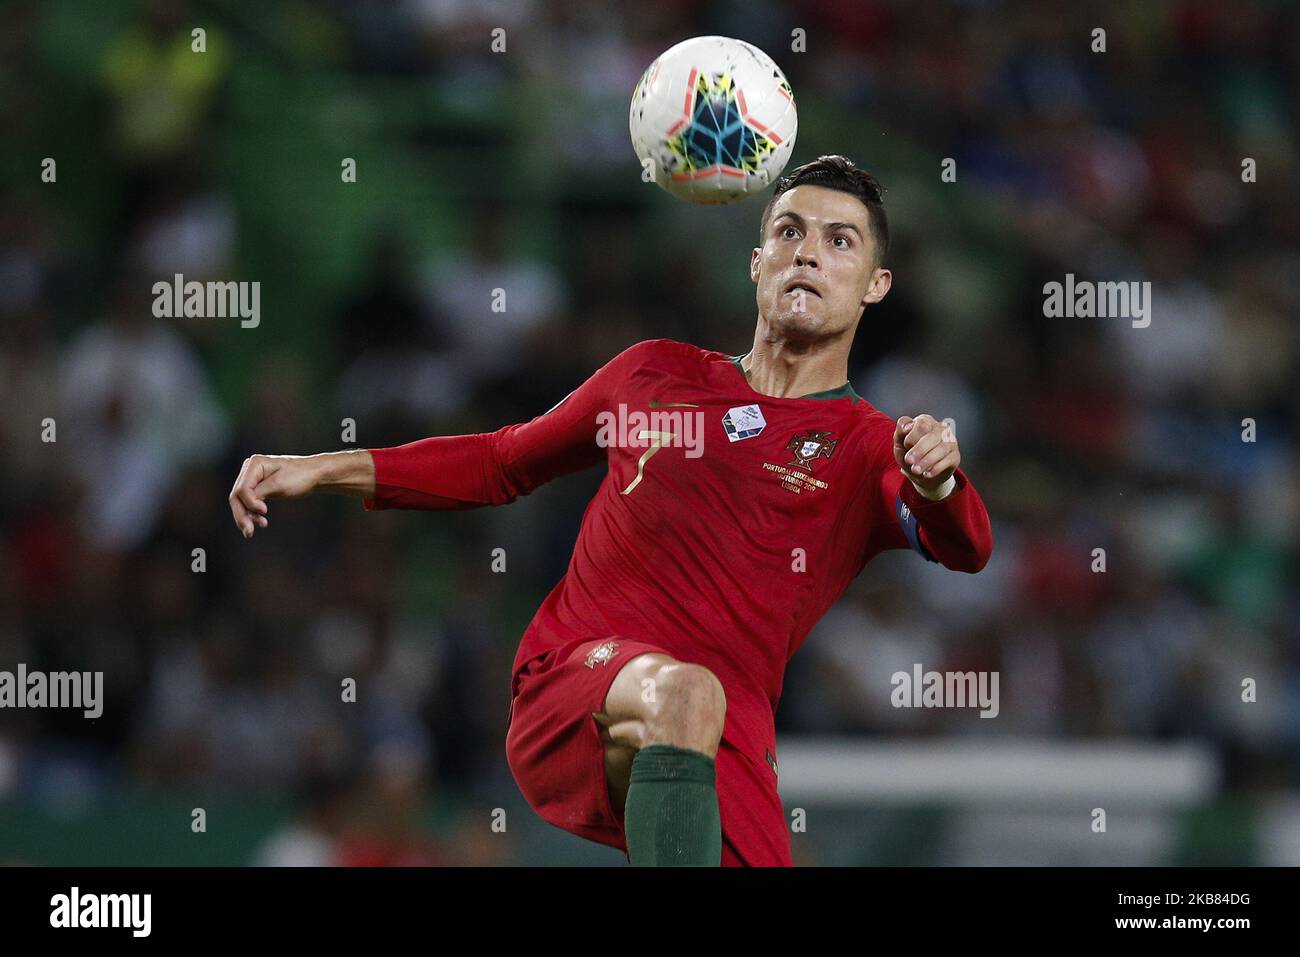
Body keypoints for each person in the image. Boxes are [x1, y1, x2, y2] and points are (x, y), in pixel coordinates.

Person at [228, 155, 994, 866]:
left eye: (839, 240)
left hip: (725, 732)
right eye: (789, 231)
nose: (808, 253)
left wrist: (939, 486)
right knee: (688, 692)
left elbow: (967, 547)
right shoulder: (651, 375)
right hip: (578, 680)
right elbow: (500, 461)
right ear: (756, 262)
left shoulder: (869, 446)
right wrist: (322, 467)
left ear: (875, 284)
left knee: (696, 704)